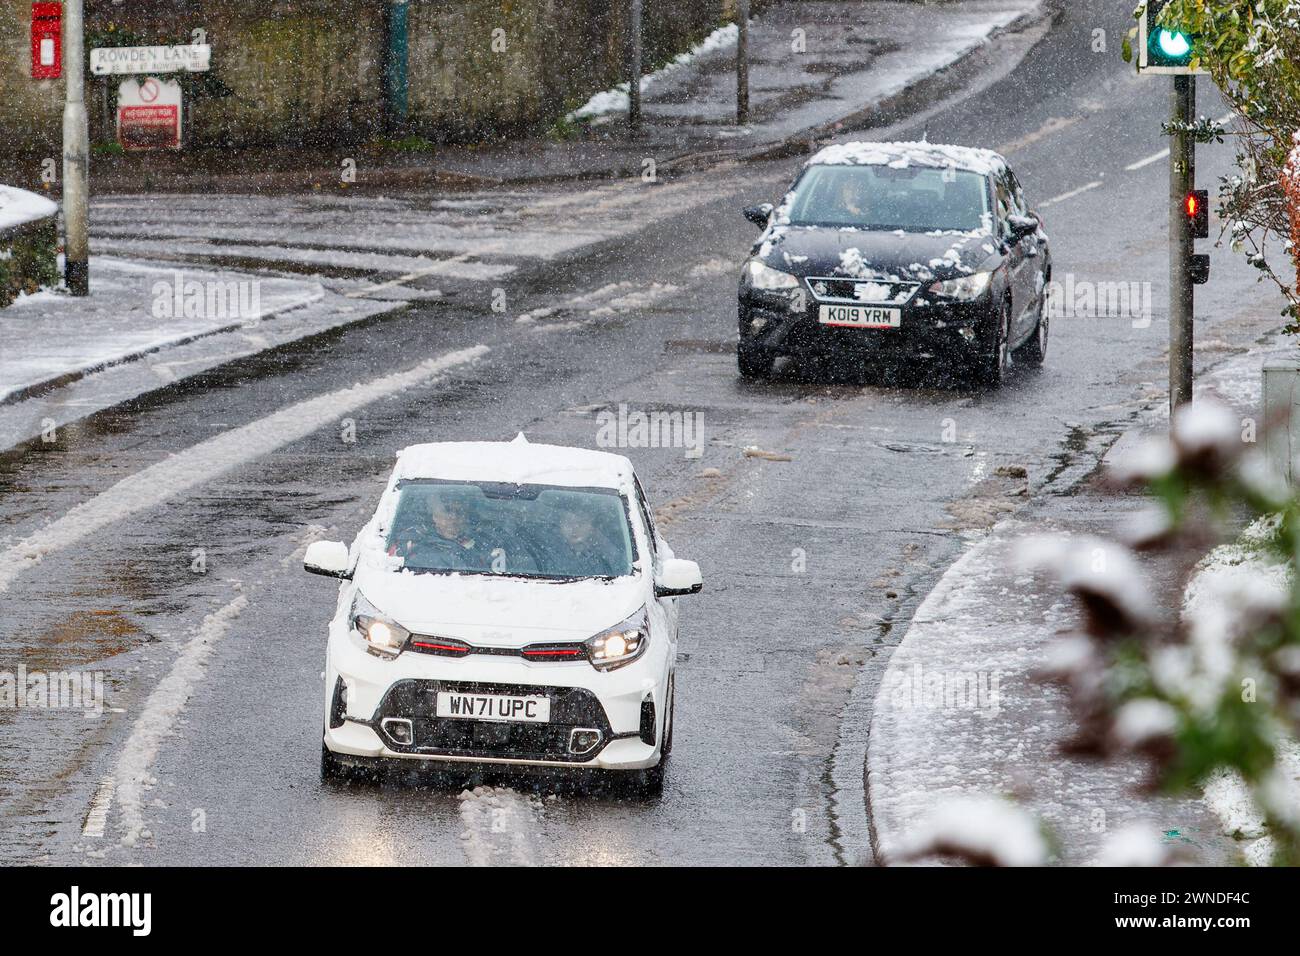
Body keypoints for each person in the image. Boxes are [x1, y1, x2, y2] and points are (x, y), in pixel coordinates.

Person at [389, 489, 494, 571]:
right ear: (433, 514)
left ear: (467, 516)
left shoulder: (482, 543)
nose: (453, 518)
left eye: (459, 512)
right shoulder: (409, 540)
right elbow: (387, 572)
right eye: (446, 510)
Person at [556, 504, 622, 577]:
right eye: (569, 523)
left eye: (581, 523)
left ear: (592, 527)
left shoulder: (606, 553)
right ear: (560, 525)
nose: (574, 528)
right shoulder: (548, 553)